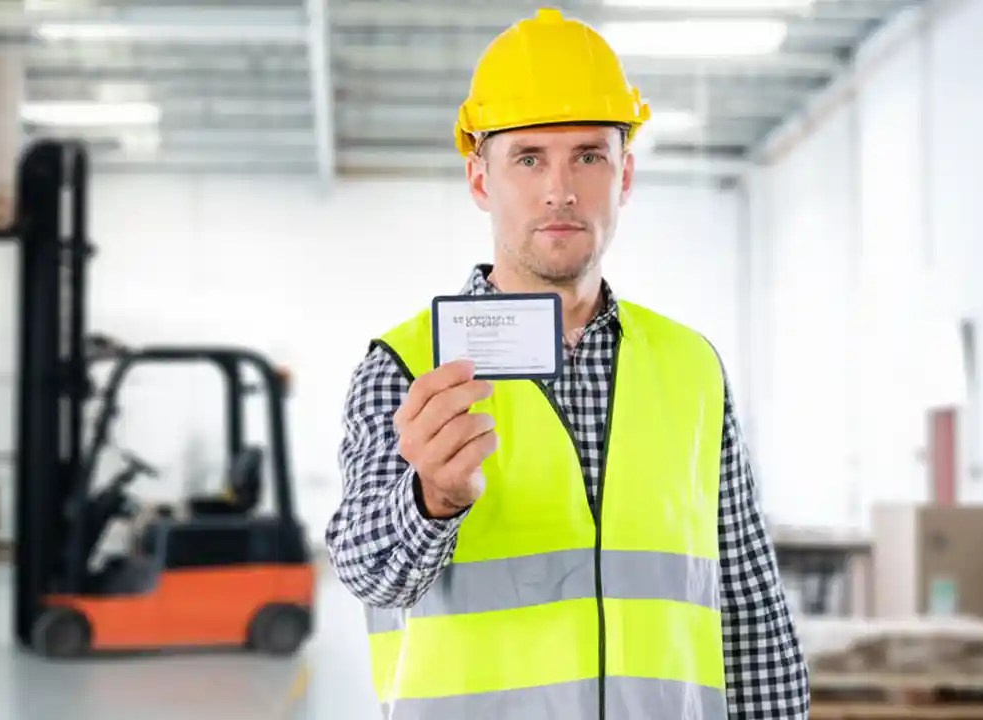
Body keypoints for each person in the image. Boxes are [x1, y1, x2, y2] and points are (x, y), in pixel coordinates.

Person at [325, 7, 809, 720]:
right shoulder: (404, 365)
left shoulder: (692, 366)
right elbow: (368, 572)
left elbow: (748, 606)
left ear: (626, 174)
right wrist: (432, 497)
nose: (561, 189)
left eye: (588, 156)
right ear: (481, 180)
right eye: (528, 159)